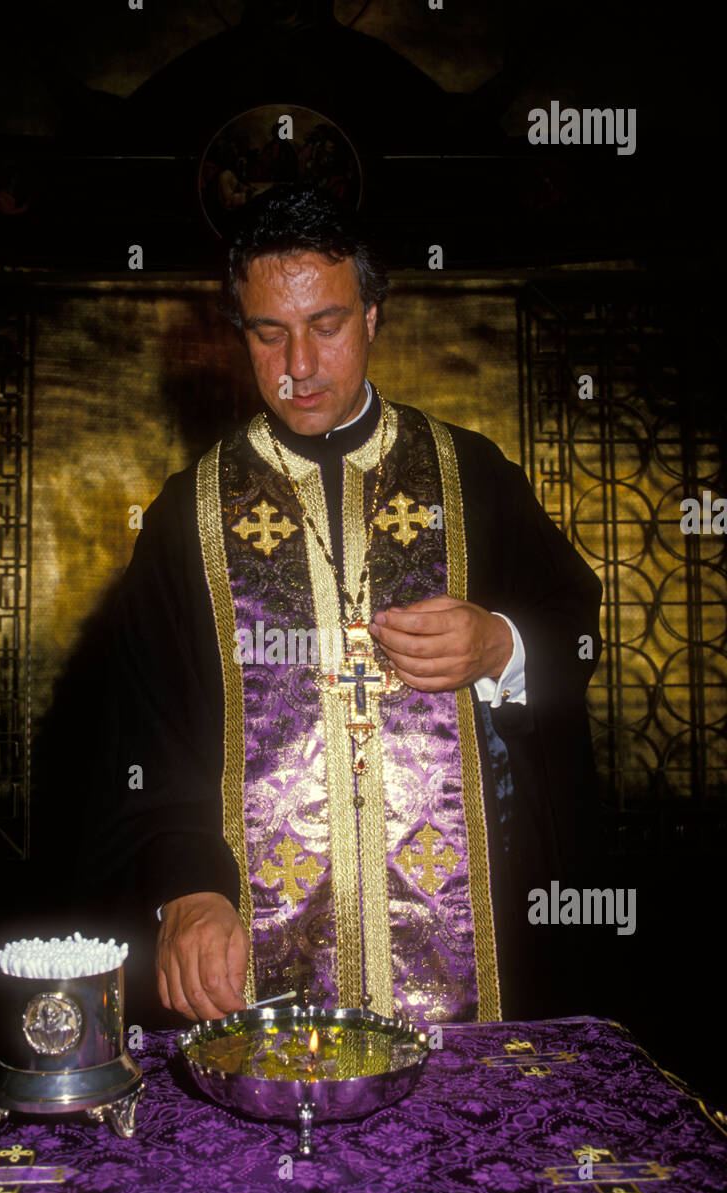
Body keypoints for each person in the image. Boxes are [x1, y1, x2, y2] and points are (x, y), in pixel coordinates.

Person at [82, 185, 603, 1027]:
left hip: (480, 942)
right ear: (240, 334)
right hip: (256, 956)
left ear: (372, 317)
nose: (300, 366)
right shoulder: (187, 518)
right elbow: (138, 734)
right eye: (269, 333)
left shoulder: (472, 476)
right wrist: (184, 883)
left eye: (325, 325)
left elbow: (572, 622)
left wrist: (499, 646)